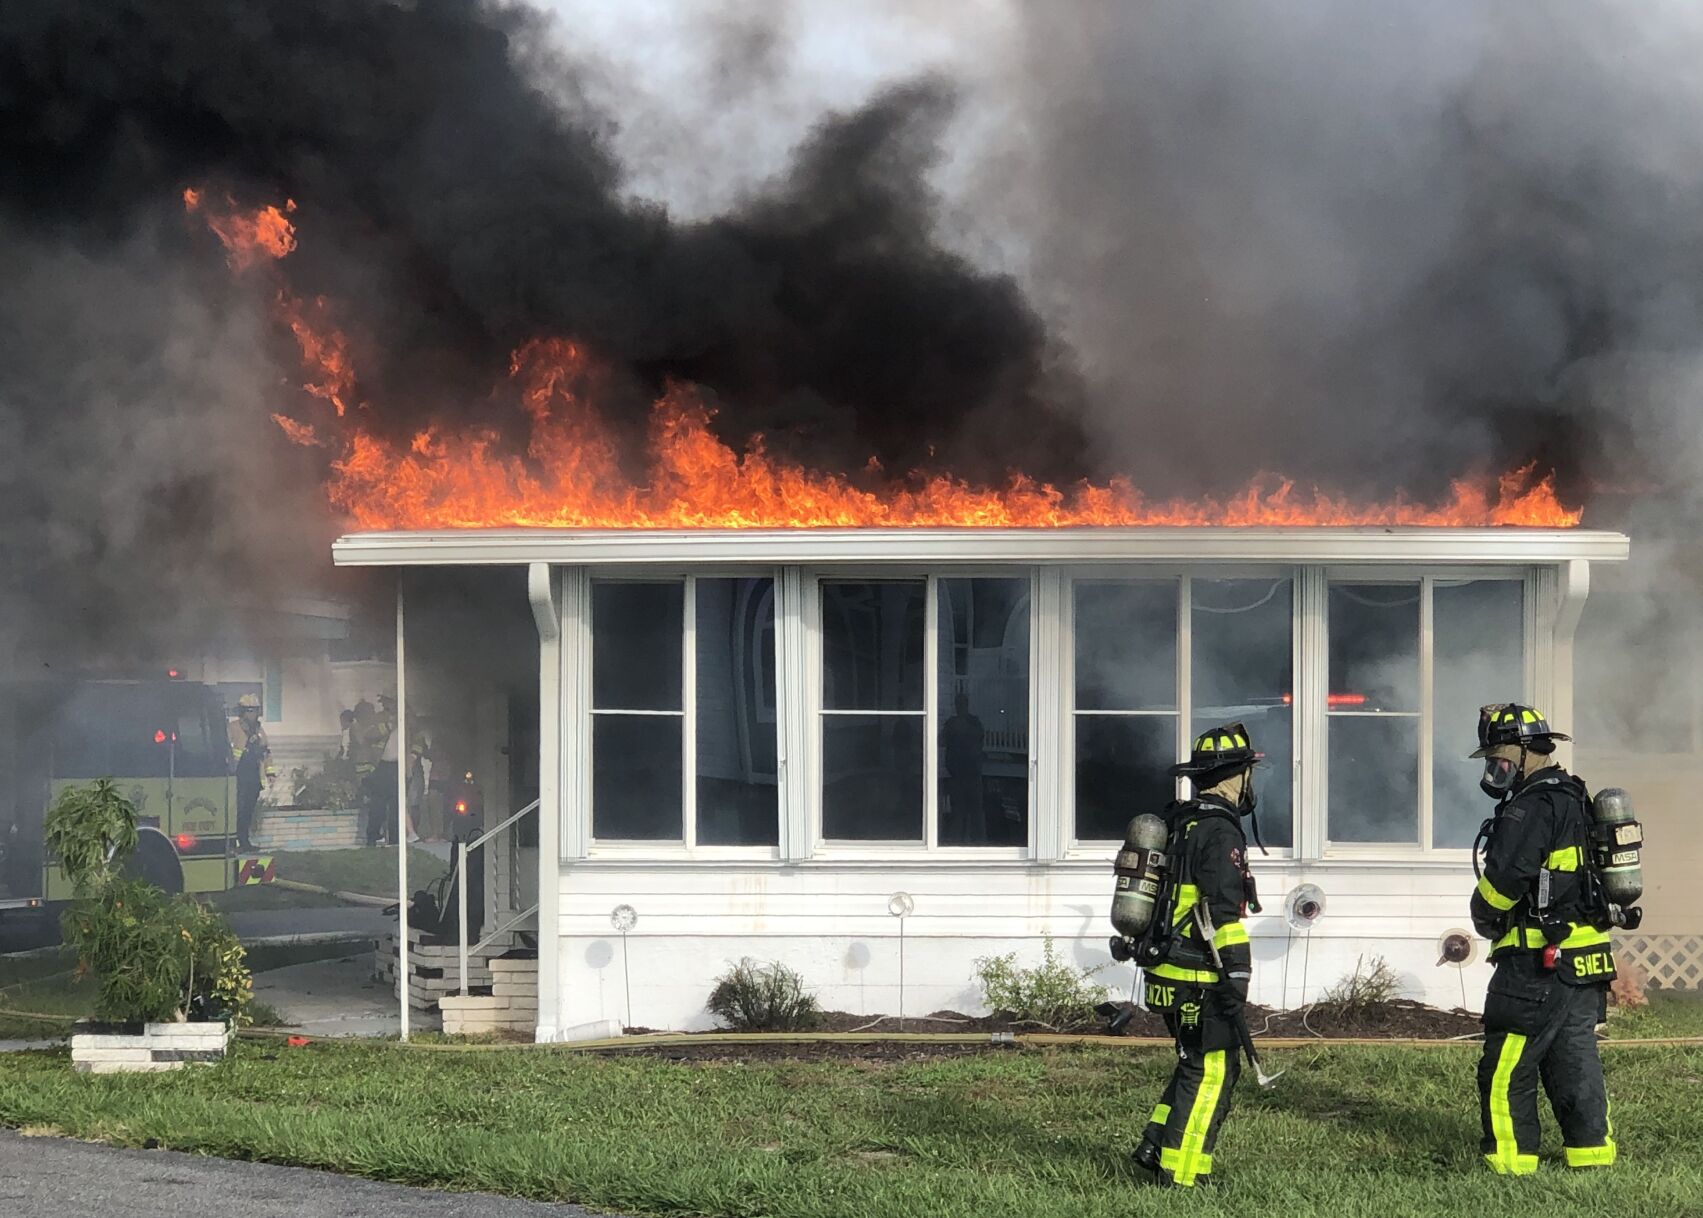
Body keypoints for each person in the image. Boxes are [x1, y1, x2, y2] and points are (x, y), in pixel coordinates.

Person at [1468, 703, 1617, 1175]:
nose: (1497, 768)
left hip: (1537, 962)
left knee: (1506, 1065)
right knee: (1574, 1059)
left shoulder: (1531, 805)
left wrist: (1483, 912)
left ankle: (1511, 1163)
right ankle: (1591, 1155)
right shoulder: (1575, 797)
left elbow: (1507, 877)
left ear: (1529, 752)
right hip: (1586, 957)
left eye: (1502, 757)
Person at [1126, 723, 1261, 1189]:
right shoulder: (1221, 833)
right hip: (1198, 974)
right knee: (1213, 1071)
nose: (1250, 783)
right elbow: (1223, 912)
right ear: (1233, 776)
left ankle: (1154, 1143)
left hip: (1164, 970)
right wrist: (1237, 980)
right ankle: (1181, 1173)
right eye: (1247, 772)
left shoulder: (1181, 822)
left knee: (1191, 1061)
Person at [940, 691, 986, 844]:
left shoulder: (973, 723)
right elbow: (941, 740)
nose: (960, 706)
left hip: (971, 774)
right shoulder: (952, 723)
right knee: (958, 812)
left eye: (962, 703)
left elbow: (979, 739)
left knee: (975, 812)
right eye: (958, 703)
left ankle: (978, 844)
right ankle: (957, 844)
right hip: (958, 775)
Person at [227, 693, 270, 852]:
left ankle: (244, 841)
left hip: (253, 775)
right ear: (242, 712)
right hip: (238, 774)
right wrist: (244, 748)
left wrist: (269, 772)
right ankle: (233, 842)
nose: (252, 714)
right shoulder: (233, 727)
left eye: (254, 710)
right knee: (237, 809)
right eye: (249, 710)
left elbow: (266, 751)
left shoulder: (259, 729)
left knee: (248, 810)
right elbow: (227, 749)